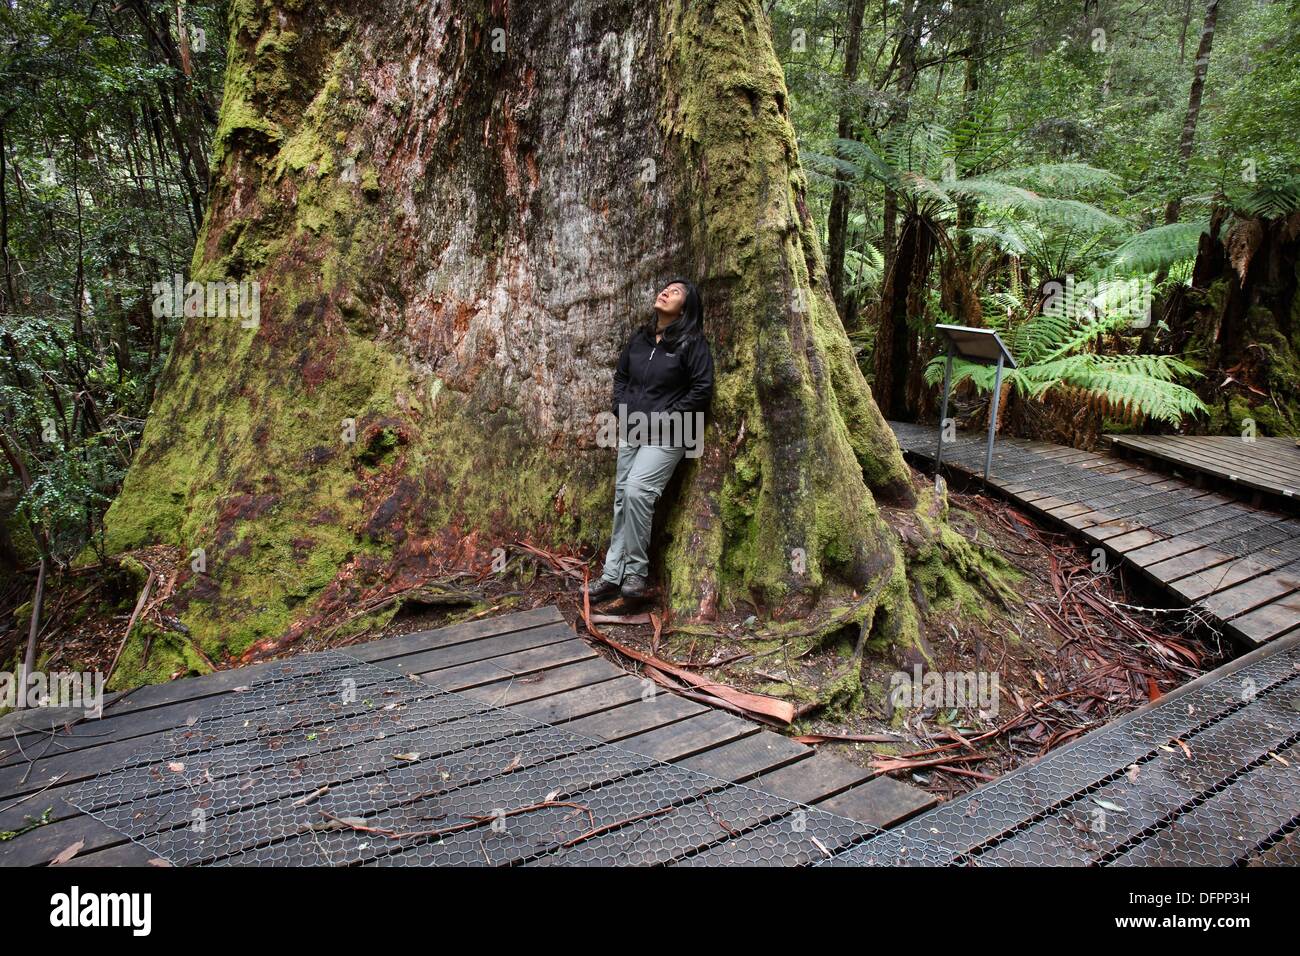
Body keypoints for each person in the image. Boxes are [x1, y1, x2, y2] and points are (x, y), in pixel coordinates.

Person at [585, 278, 714, 603]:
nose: (666, 292)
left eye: (676, 292)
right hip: (633, 428)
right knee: (621, 499)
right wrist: (620, 406)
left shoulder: (692, 343)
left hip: (671, 433)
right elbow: (621, 377)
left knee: (637, 491)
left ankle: (636, 574)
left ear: (685, 307)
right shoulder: (641, 339)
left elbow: (702, 389)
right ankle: (612, 575)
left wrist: (669, 417)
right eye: (666, 288)